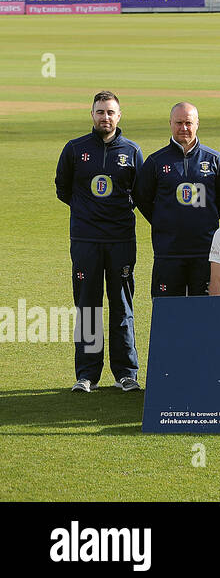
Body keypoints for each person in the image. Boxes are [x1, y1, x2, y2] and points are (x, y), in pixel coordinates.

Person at [55, 91, 145, 392]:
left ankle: (126, 373)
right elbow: (63, 189)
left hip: (121, 240)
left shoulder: (132, 151)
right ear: (92, 114)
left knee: (122, 305)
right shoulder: (75, 149)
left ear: (119, 116)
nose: (105, 117)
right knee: (88, 307)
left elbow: (141, 192)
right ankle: (87, 374)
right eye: (100, 112)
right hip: (85, 240)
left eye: (110, 112)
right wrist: (87, 213)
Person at [135, 102, 220, 297]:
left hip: (204, 251)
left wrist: (204, 219)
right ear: (170, 123)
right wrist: (163, 220)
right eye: (179, 123)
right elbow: (142, 198)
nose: (184, 128)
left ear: (197, 124)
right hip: (168, 251)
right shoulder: (156, 161)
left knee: (205, 309)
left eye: (188, 123)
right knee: (168, 309)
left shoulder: (214, 160)